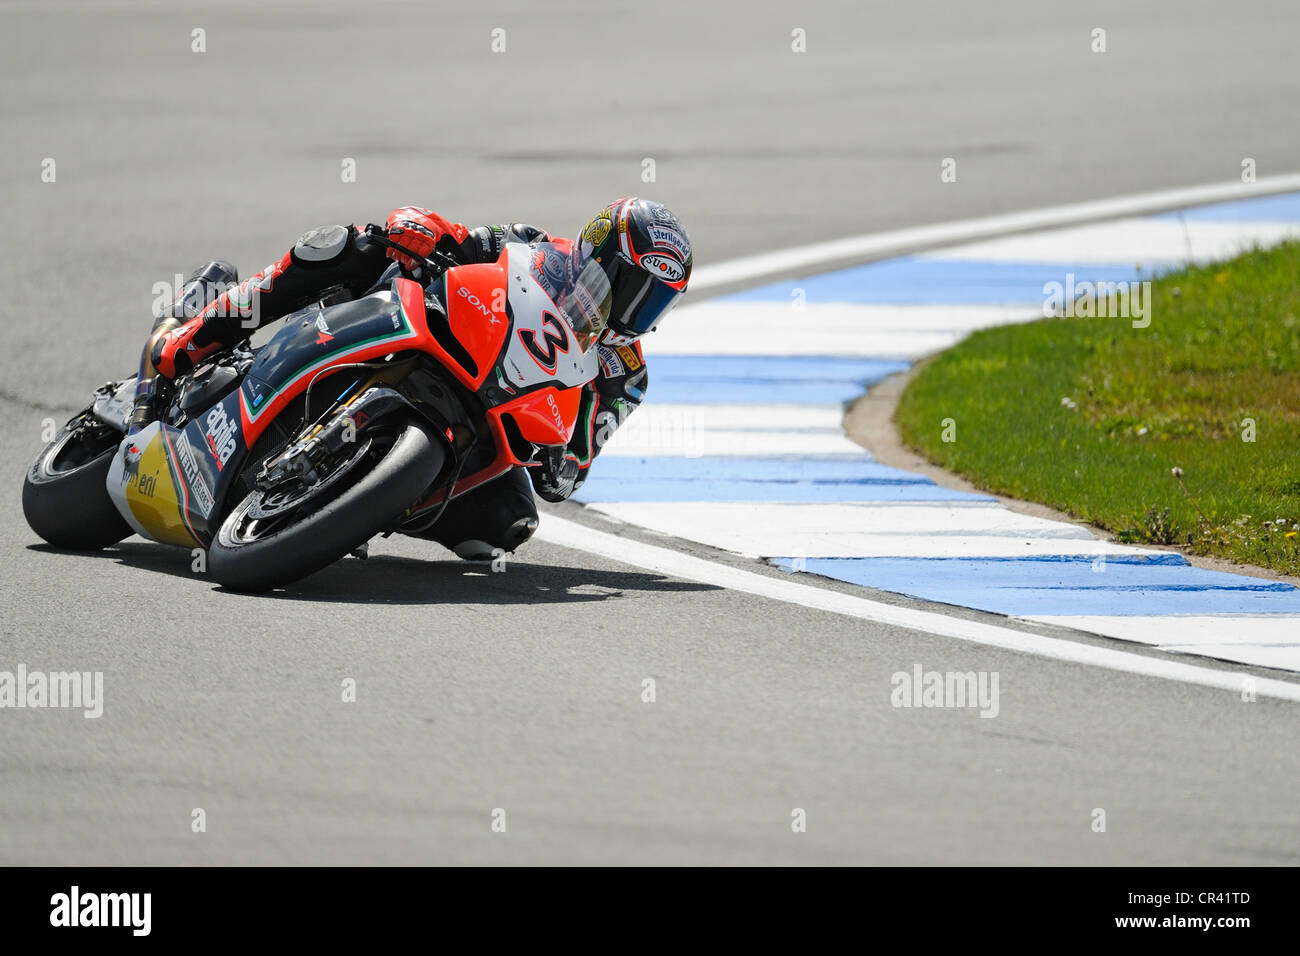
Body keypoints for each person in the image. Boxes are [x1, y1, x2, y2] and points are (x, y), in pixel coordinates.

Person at [133, 197, 693, 559]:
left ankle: (342, 501)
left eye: (656, 302)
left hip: (485, 425)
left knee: (509, 526)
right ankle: (189, 337)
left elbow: (571, 472)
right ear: (598, 250)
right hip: (438, 337)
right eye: (631, 283)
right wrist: (421, 229)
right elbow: (462, 238)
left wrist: (562, 463)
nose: (635, 309)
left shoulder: (627, 379)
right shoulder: (537, 245)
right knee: (349, 246)